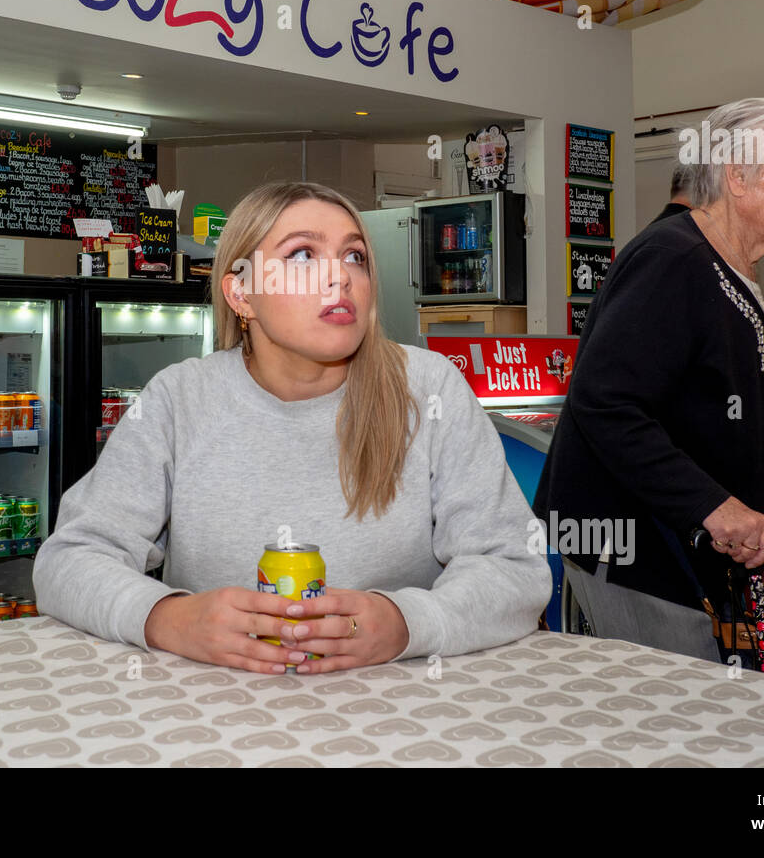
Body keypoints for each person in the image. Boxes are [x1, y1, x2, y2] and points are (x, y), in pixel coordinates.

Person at [33, 181, 551, 674]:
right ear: (241, 295)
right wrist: (166, 618)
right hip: (214, 719)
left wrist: (407, 624)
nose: (341, 277)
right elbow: (70, 559)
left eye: (355, 257)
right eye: (303, 255)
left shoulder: (429, 388)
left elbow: (514, 565)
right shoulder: (179, 399)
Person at [534, 97, 764, 656]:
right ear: (738, 178)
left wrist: (751, 499)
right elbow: (606, 405)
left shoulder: (721, 261)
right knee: (664, 727)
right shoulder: (674, 259)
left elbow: (703, 406)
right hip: (637, 551)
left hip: (670, 547)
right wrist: (716, 507)